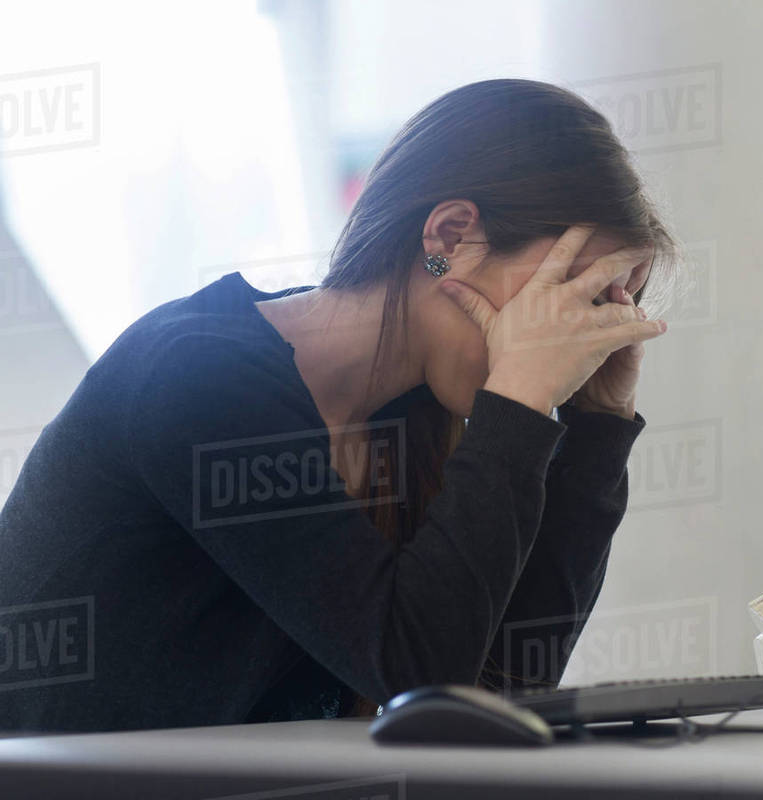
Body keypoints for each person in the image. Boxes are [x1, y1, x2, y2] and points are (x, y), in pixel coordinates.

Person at [0, 78, 675, 732]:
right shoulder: (200, 377)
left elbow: (501, 691)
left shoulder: (410, 428)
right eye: (573, 290)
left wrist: (599, 426)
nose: (581, 333)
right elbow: (422, 677)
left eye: (611, 302)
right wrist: (521, 395)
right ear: (448, 238)